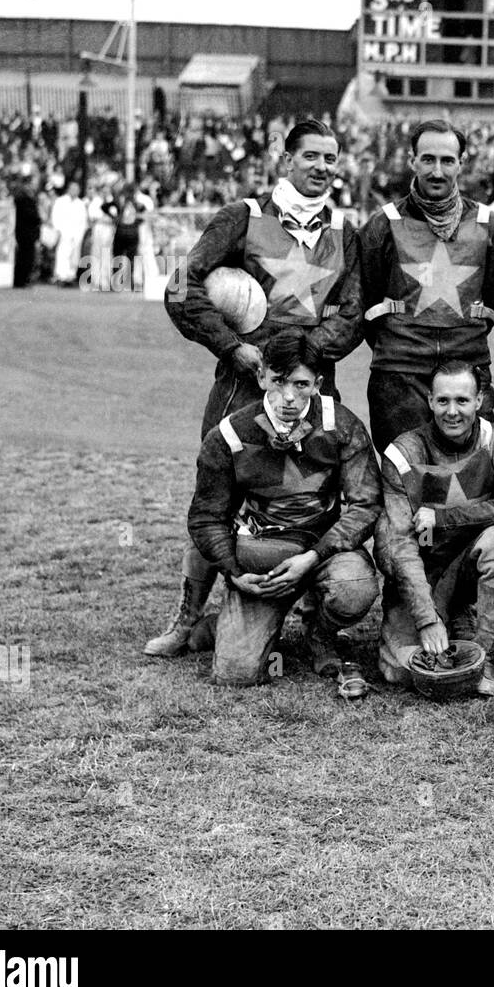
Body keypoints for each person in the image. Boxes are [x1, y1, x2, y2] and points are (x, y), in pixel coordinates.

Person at [145, 118, 364, 675]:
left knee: (317, 493)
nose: (321, 167)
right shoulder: (242, 217)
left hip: (313, 387)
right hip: (243, 383)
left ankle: (315, 624)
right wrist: (232, 346)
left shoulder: (345, 233)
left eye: (330, 158)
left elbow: (355, 312)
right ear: (285, 159)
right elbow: (181, 287)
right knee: (217, 493)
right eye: (310, 156)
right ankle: (190, 618)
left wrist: (306, 360)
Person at [186, 330, 382, 697]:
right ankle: (226, 622)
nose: (289, 396)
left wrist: (314, 557)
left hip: (322, 549)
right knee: (236, 674)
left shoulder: (342, 426)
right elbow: (206, 516)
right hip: (261, 558)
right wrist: (234, 572)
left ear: (319, 384)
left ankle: (320, 633)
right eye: (278, 381)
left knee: (355, 587)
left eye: (301, 384)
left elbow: (366, 503)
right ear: (260, 376)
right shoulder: (229, 433)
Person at [375, 361, 494, 696]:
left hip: (465, 566)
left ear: (479, 400)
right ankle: (446, 616)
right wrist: (426, 618)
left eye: (462, 401)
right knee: (401, 671)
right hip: (422, 571)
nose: (452, 411)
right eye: (443, 401)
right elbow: (400, 543)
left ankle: (484, 656)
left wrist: (448, 517)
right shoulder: (403, 453)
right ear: (430, 401)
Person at [358, 119, 494, 454]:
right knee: (405, 476)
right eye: (428, 159)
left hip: (468, 369)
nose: (437, 171)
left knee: (472, 479)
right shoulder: (383, 225)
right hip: (399, 375)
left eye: (447, 161)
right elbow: (366, 302)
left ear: (462, 163)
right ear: (412, 161)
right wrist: (401, 341)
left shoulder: (488, 225)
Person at [50, 181, 89, 286]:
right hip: (64, 232)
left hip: (76, 234)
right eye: (73, 189)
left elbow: (83, 221)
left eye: (77, 190)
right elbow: (55, 216)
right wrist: (59, 230)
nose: (75, 191)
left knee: (74, 256)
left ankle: (70, 276)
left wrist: (80, 234)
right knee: (62, 254)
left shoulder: (80, 204)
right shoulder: (61, 201)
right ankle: (61, 276)